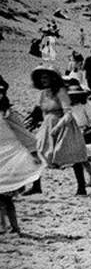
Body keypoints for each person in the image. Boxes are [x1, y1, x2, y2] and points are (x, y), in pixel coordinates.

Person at [31, 69, 91, 196]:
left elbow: (68, 113)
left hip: (64, 126)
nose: (43, 80)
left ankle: (81, 188)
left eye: (46, 77)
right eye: (41, 78)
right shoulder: (43, 93)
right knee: (37, 152)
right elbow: (43, 112)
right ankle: (36, 186)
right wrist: (43, 125)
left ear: (53, 78)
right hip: (47, 126)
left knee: (73, 155)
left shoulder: (61, 92)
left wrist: (58, 127)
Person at [0, 83, 42, 234]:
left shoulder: (8, 117)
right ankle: (10, 226)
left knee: (4, 198)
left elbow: (22, 135)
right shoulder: (10, 116)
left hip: (7, 160)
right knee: (5, 199)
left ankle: (10, 227)